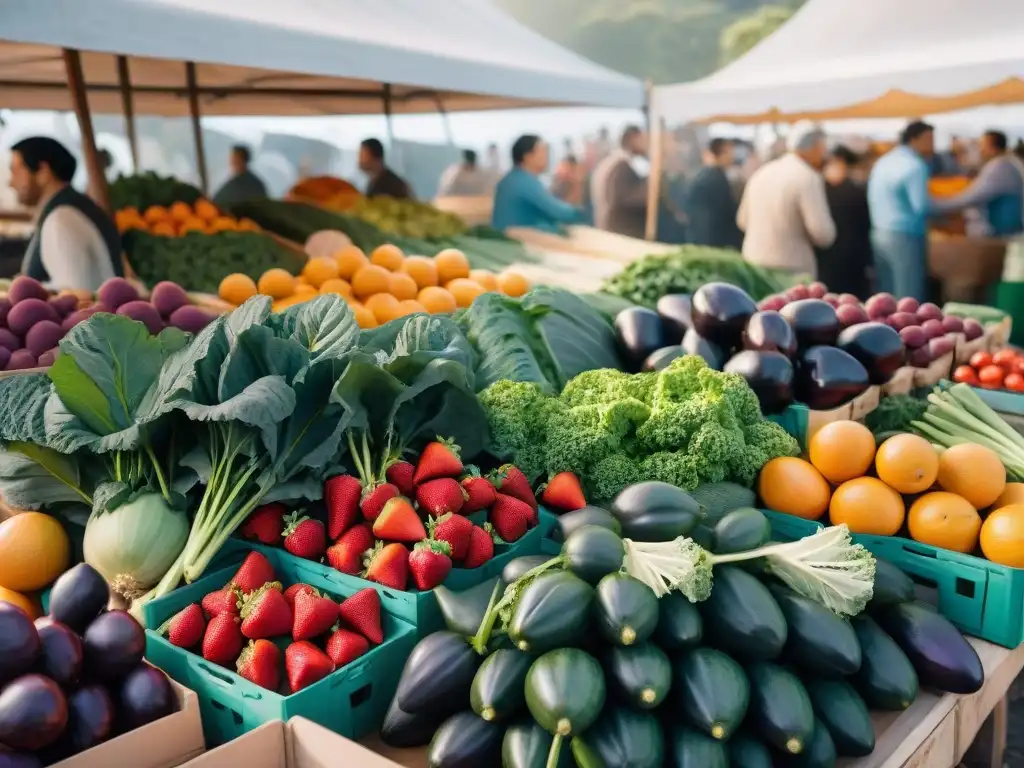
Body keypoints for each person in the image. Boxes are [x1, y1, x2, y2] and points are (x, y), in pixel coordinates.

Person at [8, 136, 123, 291]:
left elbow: (75, 295)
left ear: (43, 171)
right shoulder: (69, 210)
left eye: (16, 172)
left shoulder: (62, 219)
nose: (11, 183)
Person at [736, 122, 836, 277]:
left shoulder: (761, 172)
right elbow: (822, 233)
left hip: (753, 263)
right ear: (816, 147)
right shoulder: (807, 177)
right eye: (823, 148)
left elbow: (742, 221)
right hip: (791, 268)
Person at [867, 121, 934, 301]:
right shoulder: (916, 166)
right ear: (914, 139)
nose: (933, 145)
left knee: (885, 300)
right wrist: (957, 203)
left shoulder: (883, 161)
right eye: (929, 139)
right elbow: (922, 207)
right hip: (906, 237)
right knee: (909, 300)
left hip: (879, 235)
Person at [932, 130, 1024, 236]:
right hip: (1006, 229)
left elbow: (971, 197)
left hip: (1002, 233)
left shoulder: (1000, 167)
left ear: (992, 147)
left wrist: (933, 205)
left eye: (982, 145)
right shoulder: (1007, 162)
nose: (980, 150)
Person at [491, 135, 583, 232]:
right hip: (519, 242)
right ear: (528, 156)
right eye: (542, 152)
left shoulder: (514, 179)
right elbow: (561, 212)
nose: (547, 157)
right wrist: (582, 211)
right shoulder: (524, 182)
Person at [817, 146, 873, 298]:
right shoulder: (819, 189)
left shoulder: (821, 189)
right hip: (834, 258)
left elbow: (865, 225)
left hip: (848, 258)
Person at [590, 126, 649, 238]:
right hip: (615, 234)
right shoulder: (620, 167)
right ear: (633, 139)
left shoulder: (612, 162)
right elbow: (624, 201)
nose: (647, 145)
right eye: (643, 139)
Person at [684, 138, 742, 249]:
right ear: (721, 153)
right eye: (730, 152)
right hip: (714, 240)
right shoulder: (716, 179)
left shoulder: (701, 175)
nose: (732, 157)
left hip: (699, 239)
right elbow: (727, 211)